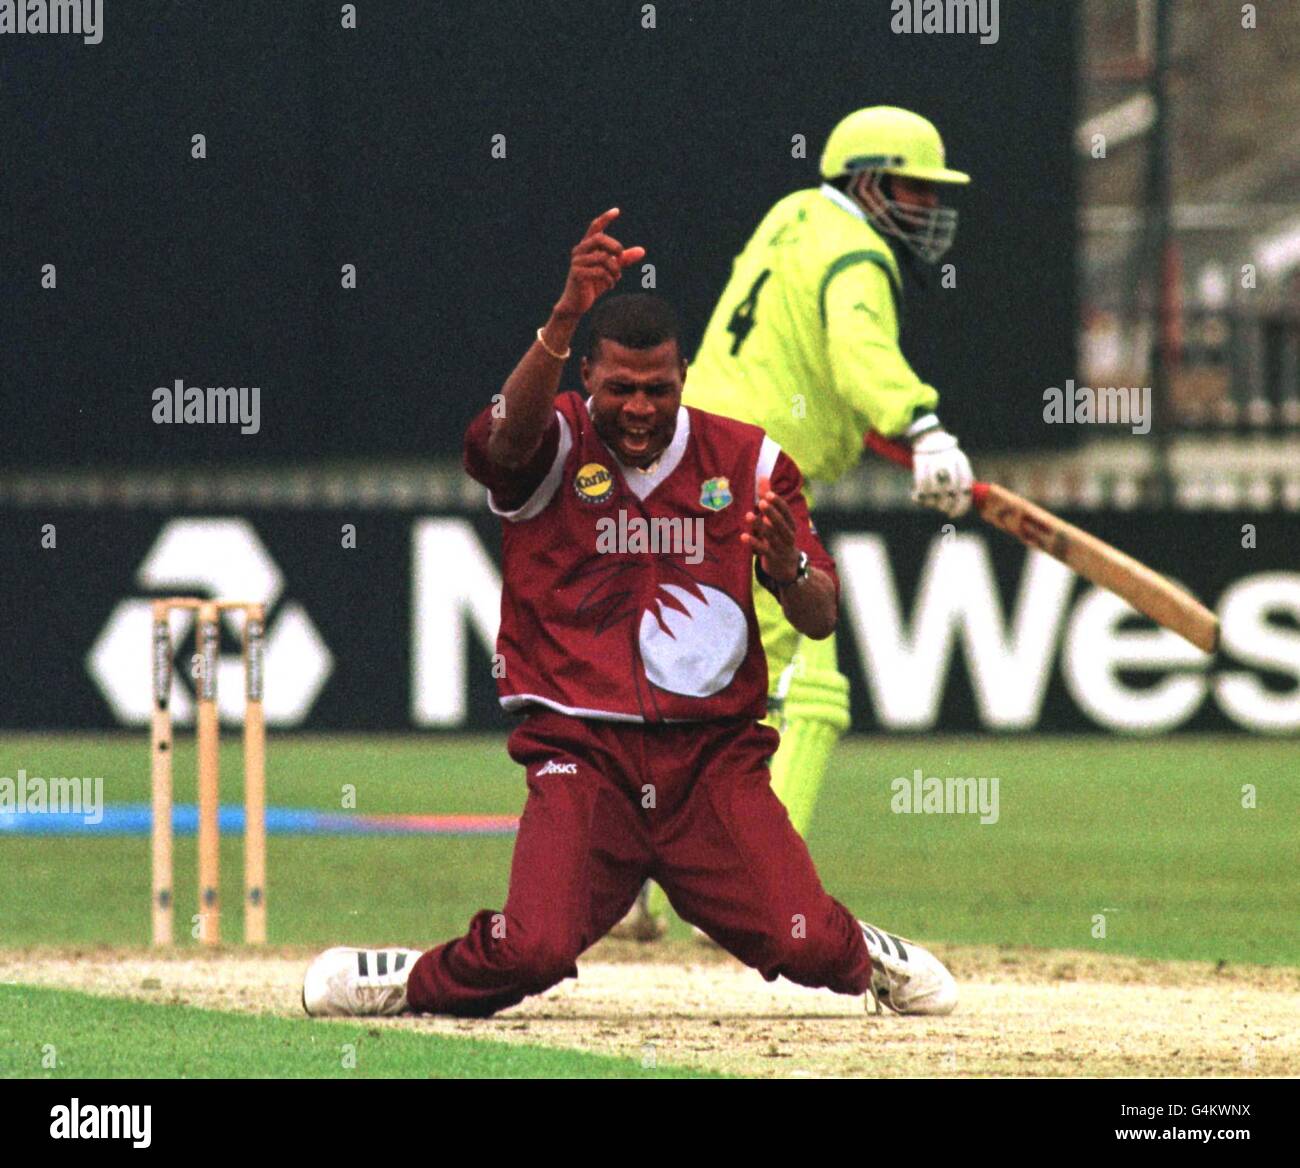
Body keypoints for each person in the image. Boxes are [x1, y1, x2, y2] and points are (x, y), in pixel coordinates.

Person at [302, 208, 956, 1019]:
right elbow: (497, 447)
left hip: (713, 760)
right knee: (534, 947)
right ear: (586, 378)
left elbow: (819, 618)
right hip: (583, 754)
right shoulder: (554, 444)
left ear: (684, 375)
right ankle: (407, 978)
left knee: (802, 943)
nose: (641, 409)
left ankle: (863, 949)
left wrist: (785, 563)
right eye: (620, 390)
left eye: (659, 390)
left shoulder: (749, 462)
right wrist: (563, 318)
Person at [616, 106, 976, 942]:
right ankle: (741, 892)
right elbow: (857, 356)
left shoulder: (791, 218)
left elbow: (806, 359)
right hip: (751, 481)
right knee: (798, 691)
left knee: (695, 679)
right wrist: (922, 427)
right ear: (867, 184)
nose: (927, 210)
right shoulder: (856, 252)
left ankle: (641, 876)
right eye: (915, 191)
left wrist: (880, 425)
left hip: (692, 461)